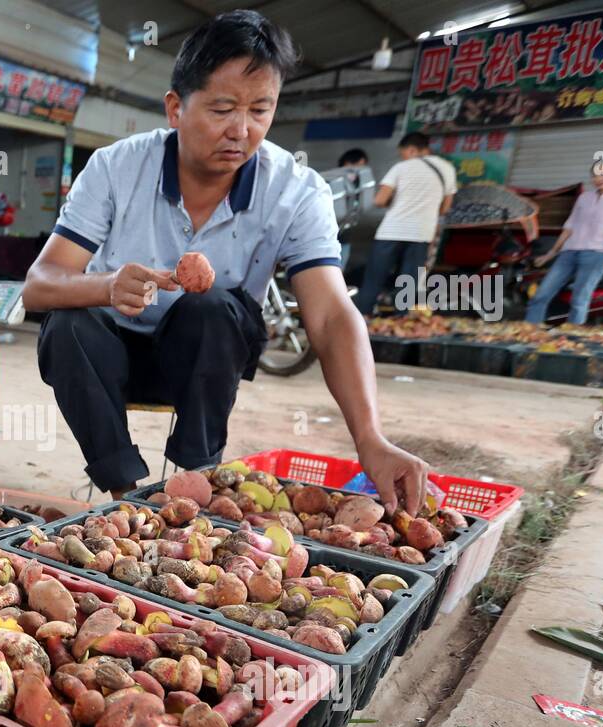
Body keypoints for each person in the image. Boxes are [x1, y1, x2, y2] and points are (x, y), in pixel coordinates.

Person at [22, 11, 429, 511]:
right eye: (221, 109)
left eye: (261, 110)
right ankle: (124, 500)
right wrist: (106, 286)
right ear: (175, 108)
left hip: (205, 363)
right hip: (112, 359)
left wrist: (369, 437)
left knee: (211, 306)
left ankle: (196, 484)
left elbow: (328, 314)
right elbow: (40, 283)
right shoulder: (115, 166)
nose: (241, 130)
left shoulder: (296, 191)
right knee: (68, 324)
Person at [354, 132, 457, 316]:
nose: (402, 157)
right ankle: (399, 325)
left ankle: (362, 320)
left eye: (402, 153)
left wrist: (393, 202)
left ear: (411, 150)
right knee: (408, 283)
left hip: (391, 232)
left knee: (374, 279)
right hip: (422, 234)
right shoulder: (446, 169)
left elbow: (379, 200)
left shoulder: (401, 168)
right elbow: (446, 207)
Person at [527, 156, 603, 326]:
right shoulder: (585, 197)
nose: (598, 179)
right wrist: (552, 252)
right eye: (595, 175)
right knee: (541, 294)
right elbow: (570, 226)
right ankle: (529, 333)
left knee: (579, 299)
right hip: (569, 252)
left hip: (597, 254)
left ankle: (571, 340)